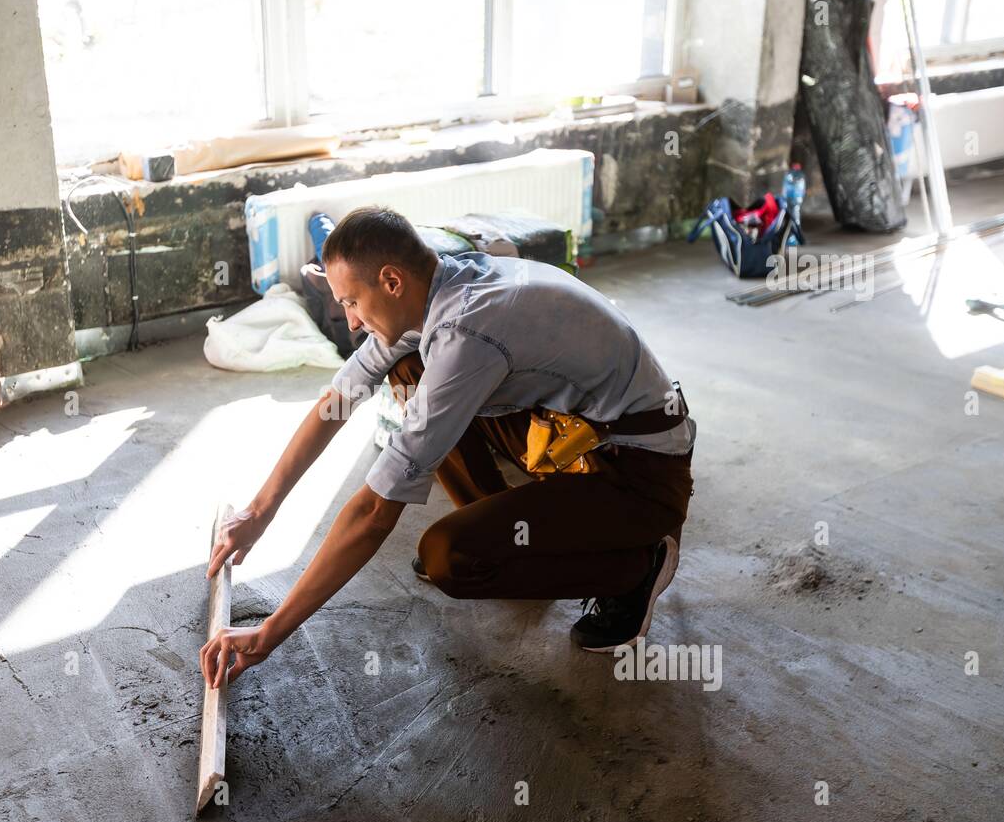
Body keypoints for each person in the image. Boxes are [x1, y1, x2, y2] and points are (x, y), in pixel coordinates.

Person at [200, 207, 695, 689]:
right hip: (573, 430)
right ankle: (505, 532)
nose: (349, 322)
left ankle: (635, 569)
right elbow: (341, 397)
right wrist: (260, 511)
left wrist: (270, 633)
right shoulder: (438, 286)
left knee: (450, 557)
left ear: (391, 281)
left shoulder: (466, 333)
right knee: (411, 369)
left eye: (351, 302)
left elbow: (374, 512)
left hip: (638, 467)